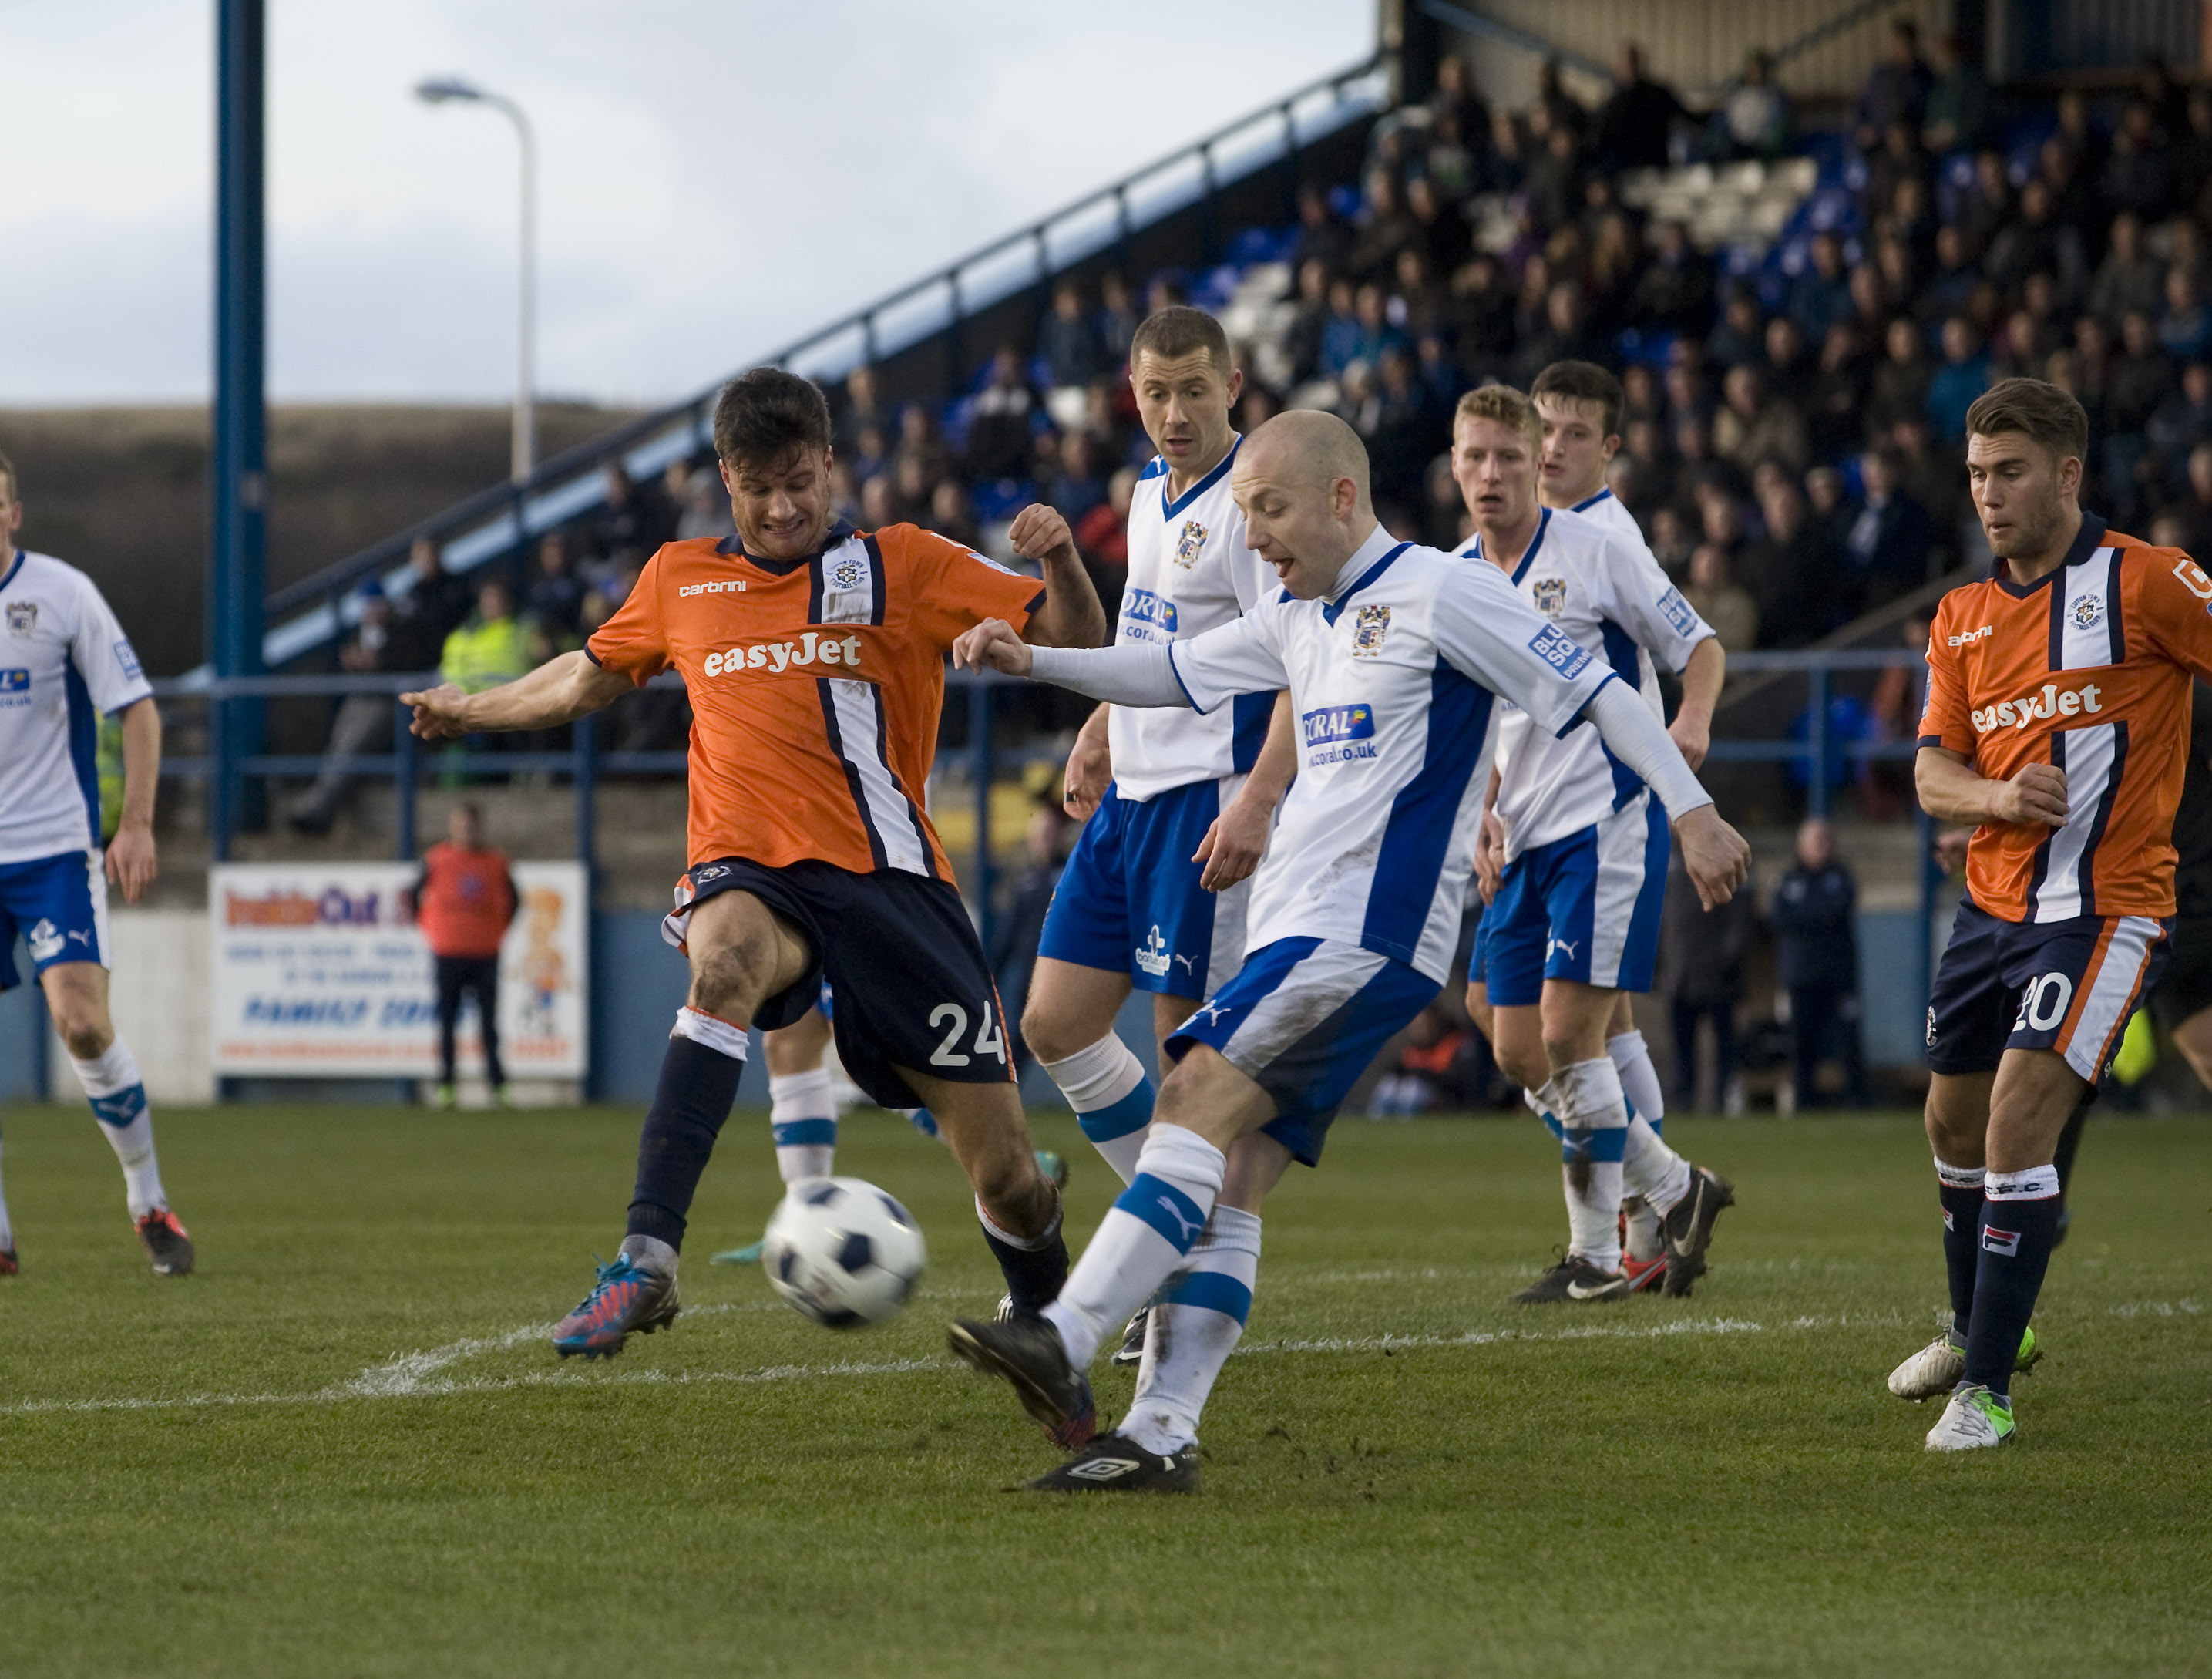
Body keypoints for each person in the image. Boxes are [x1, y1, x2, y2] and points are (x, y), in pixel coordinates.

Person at [943, 410, 1750, 1490]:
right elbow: (1172, 668)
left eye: (1268, 510)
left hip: (1363, 932)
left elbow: (1600, 690)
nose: (1255, 537)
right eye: (1241, 515)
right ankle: (1157, 1437)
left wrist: (1692, 810)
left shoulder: (1440, 589)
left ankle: (1069, 1335)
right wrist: (1032, 656)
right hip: (1307, 928)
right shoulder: (1294, 615)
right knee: (1229, 1177)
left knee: (1187, 1096)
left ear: (1338, 497)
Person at [401, 368, 1108, 1365]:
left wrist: (1062, 561)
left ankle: (1051, 1330)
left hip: (893, 883)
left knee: (1005, 1178)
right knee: (721, 962)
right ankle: (645, 1258)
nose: (781, 509)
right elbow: (584, 677)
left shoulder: (903, 562)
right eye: (756, 488)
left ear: (828, 464)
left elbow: (1079, 646)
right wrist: (472, 705)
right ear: (724, 480)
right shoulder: (679, 578)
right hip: (751, 870)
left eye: (798, 483)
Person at [1901, 377, 2212, 1450]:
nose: (1988, 494)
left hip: (2107, 908)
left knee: (2016, 1120)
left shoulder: (2148, 580)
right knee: (1947, 1121)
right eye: (1977, 475)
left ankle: (1982, 1389)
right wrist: (1992, 796)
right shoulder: (1962, 617)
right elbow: (1931, 769)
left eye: (2011, 472)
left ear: (2068, 473)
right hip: (1989, 910)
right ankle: (1982, 1325)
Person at [1022, 305, 1296, 1369]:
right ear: (1129, 397)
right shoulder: (1144, 494)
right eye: (1153, 393)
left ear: (1232, 385)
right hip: (1128, 799)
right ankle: (1163, 1238)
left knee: (1189, 1072)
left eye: (1192, 389)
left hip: (1204, 802)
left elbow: (1287, 663)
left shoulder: (1250, 504)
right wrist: (1097, 727)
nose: (1173, 413)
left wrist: (1258, 801)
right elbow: (1147, 628)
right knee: (1053, 1023)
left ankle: (1166, 1279)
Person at [1458, 381, 1735, 1303]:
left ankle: (1600, 1253)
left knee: (1570, 1030)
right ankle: (1669, 1187)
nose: (1501, 470)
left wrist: (1688, 732)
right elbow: (1481, 726)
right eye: (1477, 457)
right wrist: (1481, 814)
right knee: (1506, 1041)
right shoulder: (1456, 575)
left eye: (1514, 451)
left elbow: (1697, 645)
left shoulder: (1597, 549)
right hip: (1521, 832)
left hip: (1603, 817)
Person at [0, 450, 191, 1277]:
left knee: (81, 1021)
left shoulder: (62, 592)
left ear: (11, 512)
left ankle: (147, 1196)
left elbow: (137, 710)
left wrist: (136, 824)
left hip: (50, 848)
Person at [404, 803, 519, 1109]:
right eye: (461, 825)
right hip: (448, 953)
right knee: (447, 1022)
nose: (467, 830)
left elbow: (515, 900)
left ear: (479, 827)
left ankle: (498, 1087)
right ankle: (446, 1087)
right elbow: (412, 895)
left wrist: (497, 931)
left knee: (489, 1025)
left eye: (471, 825)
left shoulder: (496, 861)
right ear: (453, 827)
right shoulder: (437, 859)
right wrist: (432, 929)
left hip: (485, 954)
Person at [1771, 817, 1867, 1109]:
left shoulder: (1842, 877)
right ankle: (1804, 1101)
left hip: (1839, 975)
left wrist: (1806, 915)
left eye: (1826, 840)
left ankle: (1857, 1099)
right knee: (1802, 1042)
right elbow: (1782, 917)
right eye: (1816, 841)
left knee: (1848, 1040)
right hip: (1801, 977)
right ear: (1801, 846)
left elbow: (1838, 910)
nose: (1821, 847)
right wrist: (1817, 914)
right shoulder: (1789, 880)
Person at [287, 578, 397, 835]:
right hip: (359, 698)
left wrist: (377, 664)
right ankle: (317, 807)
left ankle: (317, 811)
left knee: (349, 750)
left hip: (387, 703)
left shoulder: (401, 629)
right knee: (337, 749)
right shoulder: (360, 633)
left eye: (375, 606)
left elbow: (407, 662)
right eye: (367, 607)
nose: (370, 612)